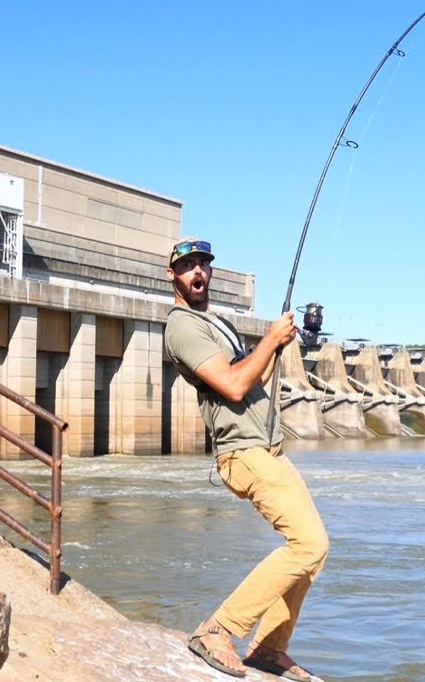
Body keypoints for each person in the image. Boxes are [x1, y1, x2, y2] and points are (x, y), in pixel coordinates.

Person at [163, 237, 329, 681]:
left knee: (315, 551)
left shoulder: (214, 322)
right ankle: (217, 630)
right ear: (173, 276)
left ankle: (269, 650)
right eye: (187, 267)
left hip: (269, 449)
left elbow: (253, 376)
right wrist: (269, 337)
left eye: (203, 264)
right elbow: (233, 387)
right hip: (244, 451)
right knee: (307, 545)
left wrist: (274, 346)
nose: (198, 272)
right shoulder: (183, 327)